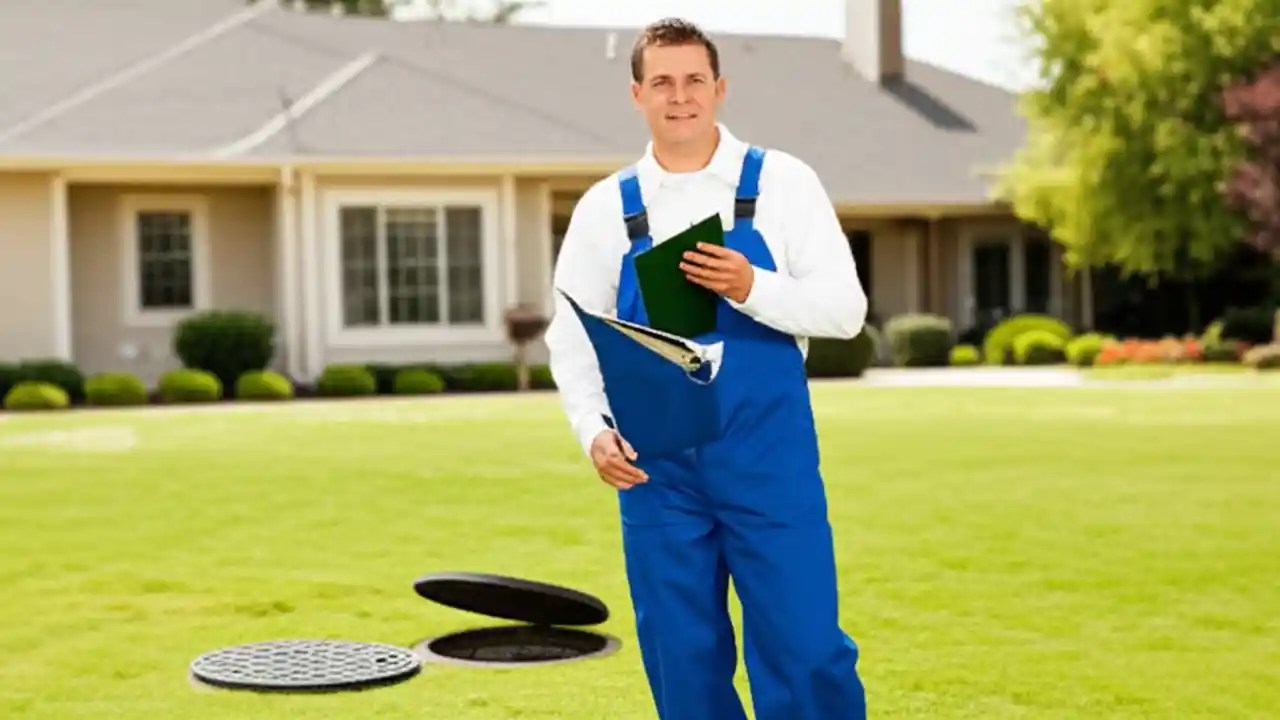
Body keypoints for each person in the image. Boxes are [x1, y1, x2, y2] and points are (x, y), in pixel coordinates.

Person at [544, 17, 869, 720]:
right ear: (637, 95)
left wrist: (753, 286)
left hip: (768, 459)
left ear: (720, 88)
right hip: (656, 468)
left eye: (695, 79)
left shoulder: (783, 183)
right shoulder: (606, 209)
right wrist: (592, 430)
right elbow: (571, 337)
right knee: (681, 659)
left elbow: (846, 311)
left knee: (806, 646)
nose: (680, 95)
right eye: (662, 82)